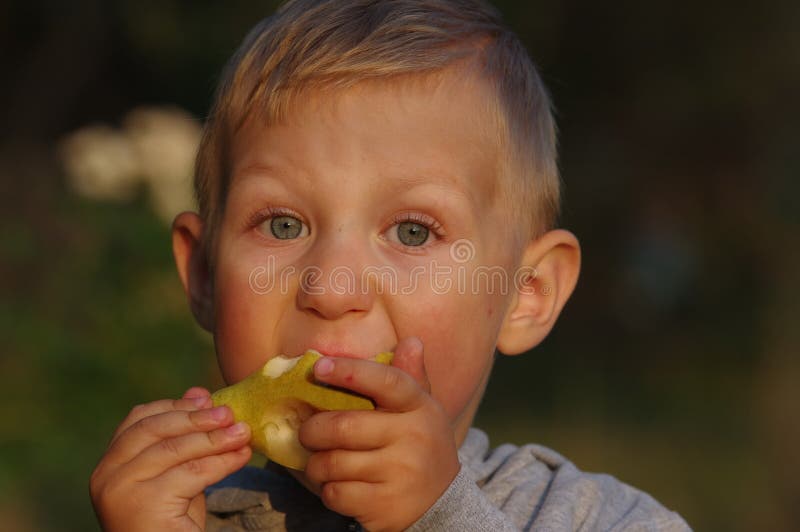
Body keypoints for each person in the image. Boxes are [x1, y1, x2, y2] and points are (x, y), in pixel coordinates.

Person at [90, 0, 691, 530]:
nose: (332, 288)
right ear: (202, 275)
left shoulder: (605, 521)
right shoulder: (183, 515)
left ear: (526, 292)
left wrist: (440, 519)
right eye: (282, 225)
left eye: (411, 231)